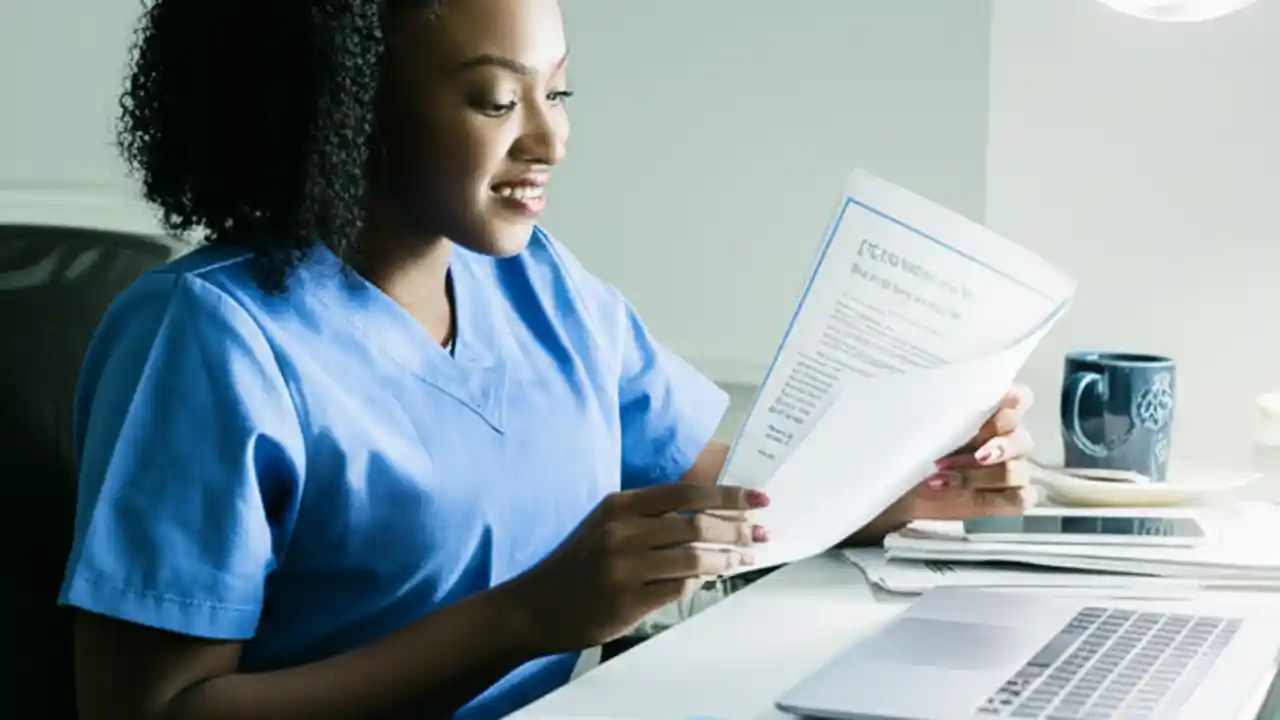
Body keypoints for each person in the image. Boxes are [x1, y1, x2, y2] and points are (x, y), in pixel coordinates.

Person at [59, 0, 1036, 718]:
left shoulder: (542, 290)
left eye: (556, 91)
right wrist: (521, 618)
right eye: (494, 101)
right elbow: (157, 712)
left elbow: (735, 499)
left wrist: (911, 482)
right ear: (345, 107)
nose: (552, 137)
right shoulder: (207, 338)